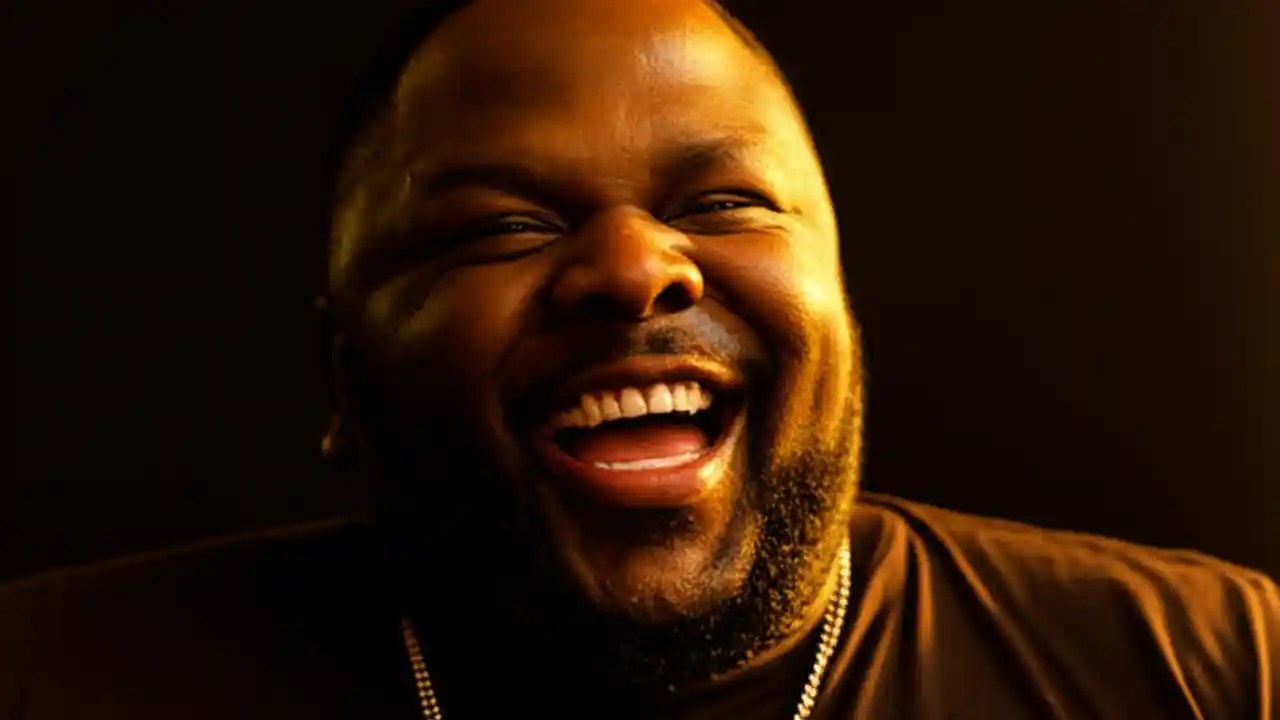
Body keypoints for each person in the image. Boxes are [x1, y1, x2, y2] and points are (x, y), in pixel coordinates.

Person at [3, 0, 1277, 717]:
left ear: (837, 297)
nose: (635, 269)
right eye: (503, 224)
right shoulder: (51, 678)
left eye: (724, 203)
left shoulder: (1218, 670)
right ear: (344, 380)